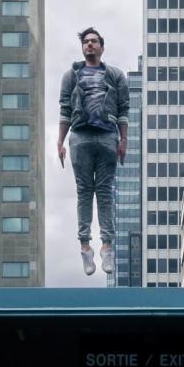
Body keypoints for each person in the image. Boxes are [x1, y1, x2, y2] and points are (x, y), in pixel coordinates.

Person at [57, 27, 129, 276]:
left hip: (108, 136)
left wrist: (124, 140)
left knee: (105, 192)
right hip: (80, 136)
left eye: (94, 41)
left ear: (102, 46)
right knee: (84, 192)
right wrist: (60, 141)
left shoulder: (115, 75)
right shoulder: (71, 76)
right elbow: (65, 110)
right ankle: (85, 247)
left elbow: (123, 110)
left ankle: (107, 247)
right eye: (86, 42)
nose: (89, 45)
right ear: (82, 47)